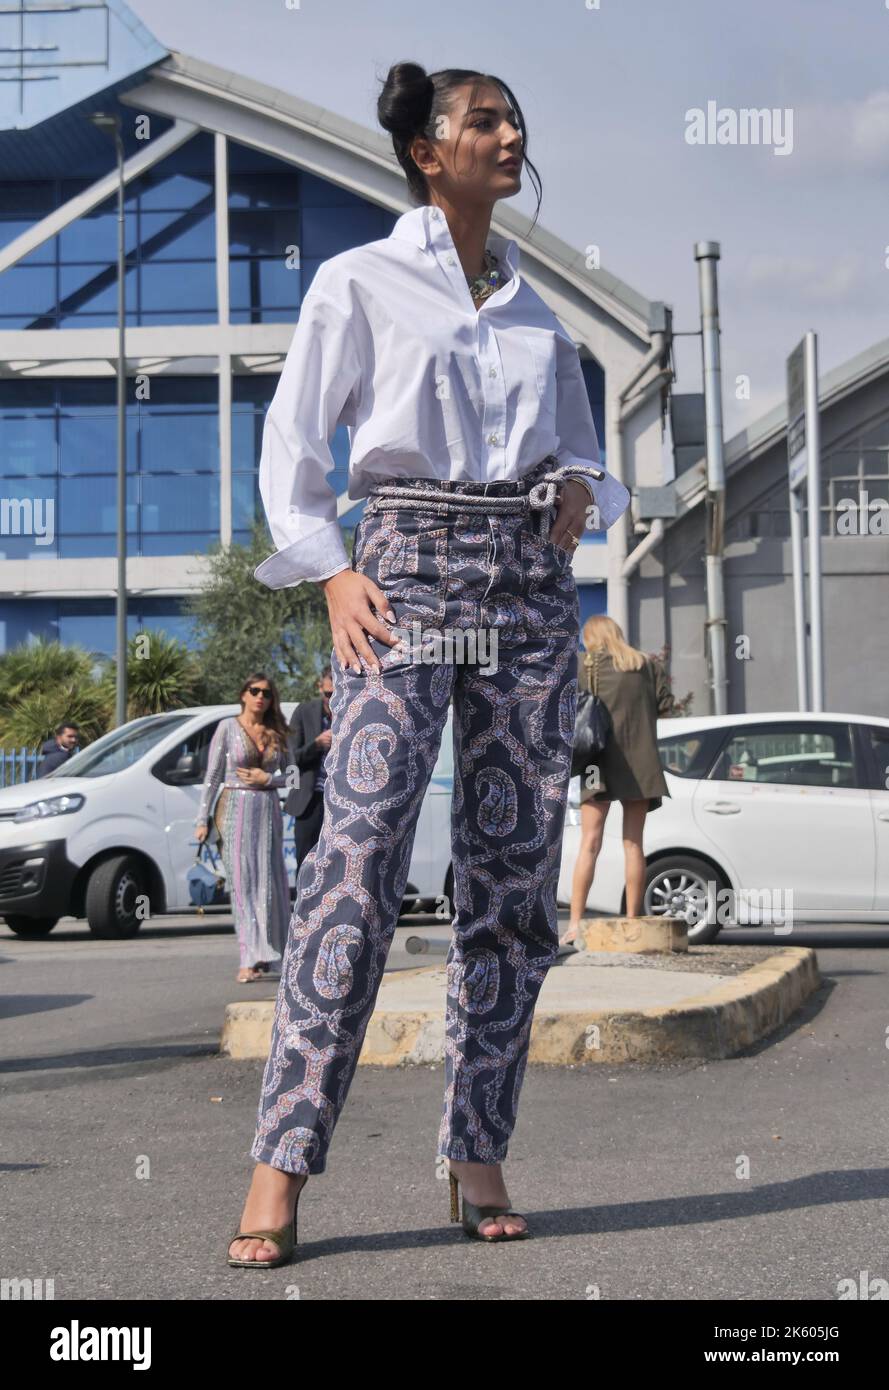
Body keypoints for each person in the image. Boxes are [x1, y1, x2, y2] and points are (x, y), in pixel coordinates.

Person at [227, 61, 630, 1269]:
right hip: (398, 576)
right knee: (353, 867)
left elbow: (592, 464)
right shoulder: (358, 282)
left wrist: (574, 488)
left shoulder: (534, 312)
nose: (509, 135)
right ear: (426, 150)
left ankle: (474, 1151)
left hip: (526, 592)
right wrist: (331, 570)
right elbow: (293, 447)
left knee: (509, 888)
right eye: (484, 120)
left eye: (513, 120)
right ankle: (280, 1163)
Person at [564, 615, 677, 945]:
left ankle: (574, 923)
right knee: (633, 844)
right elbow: (666, 707)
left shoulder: (584, 664)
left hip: (598, 763)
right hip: (640, 764)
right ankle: (631, 920)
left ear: (591, 638)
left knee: (590, 843)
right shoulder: (645, 664)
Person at [195, 674, 291, 984]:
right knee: (242, 883)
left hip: (267, 809)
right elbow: (212, 777)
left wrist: (269, 780)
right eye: (254, 691)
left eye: (267, 693)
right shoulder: (227, 728)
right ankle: (247, 957)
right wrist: (201, 819)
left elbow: (294, 777)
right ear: (243, 695)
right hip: (233, 808)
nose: (260, 697)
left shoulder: (277, 732)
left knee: (270, 883)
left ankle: (272, 954)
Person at [284, 666, 334, 874]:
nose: (331, 699)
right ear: (319, 686)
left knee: (334, 865)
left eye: (337, 693)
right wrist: (317, 744)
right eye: (328, 693)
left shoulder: (351, 713)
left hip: (340, 802)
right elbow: (289, 760)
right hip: (309, 801)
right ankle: (305, 907)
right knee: (306, 864)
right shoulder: (304, 712)